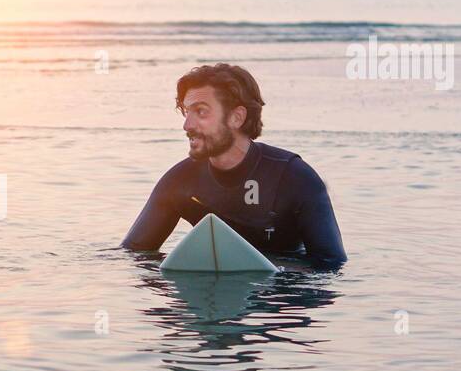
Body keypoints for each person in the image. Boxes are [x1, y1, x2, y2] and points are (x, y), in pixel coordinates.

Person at [122, 63, 346, 265]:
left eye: (200, 112)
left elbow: (331, 266)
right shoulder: (179, 182)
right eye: (186, 111)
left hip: (276, 306)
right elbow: (133, 256)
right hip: (207, 303)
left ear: (236, 118)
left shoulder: (294, 178)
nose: (187, 125)